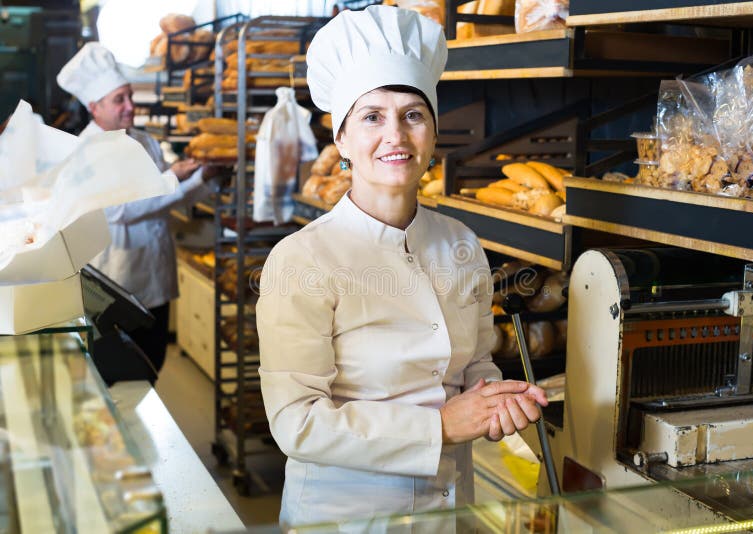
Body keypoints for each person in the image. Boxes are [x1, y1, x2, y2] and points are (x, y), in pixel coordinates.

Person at [257, 5, 548, 528]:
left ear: (432, 134)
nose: (395, 134)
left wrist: (494, 398)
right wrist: (440, 427)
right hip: (347, 516)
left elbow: (475, 362)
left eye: (413, 115)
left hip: (450, 507)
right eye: (372, 116)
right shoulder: (301, 260)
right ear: (341, 139)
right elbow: (296, 422)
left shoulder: (461, 243)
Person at [57, 42, 218, 373]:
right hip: (119, 280)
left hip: (156, 273)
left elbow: (165, 204)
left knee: (153, 361)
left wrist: (203, 179)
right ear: (94, 106)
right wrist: (172, 178)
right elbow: (120, 212)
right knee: (120, 371)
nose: (131, 106)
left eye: (130, 96)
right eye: (120, 100)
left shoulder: (145, 141)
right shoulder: (85, 151)